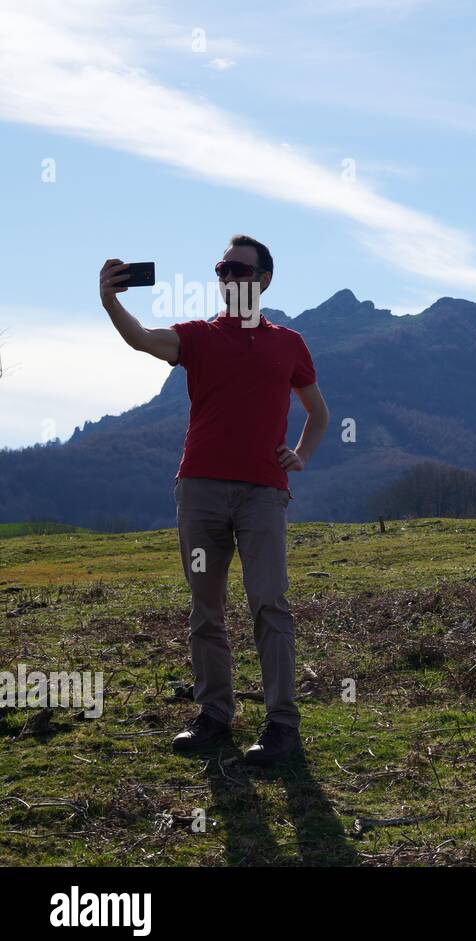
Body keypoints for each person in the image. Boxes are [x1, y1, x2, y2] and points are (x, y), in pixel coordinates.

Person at [99, 235, 330, 764]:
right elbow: (140, 339)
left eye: (240, 270)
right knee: (206, 611)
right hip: (199, 488)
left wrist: (302, 455)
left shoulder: (288, 344)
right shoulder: (198, 337)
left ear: (265, 279)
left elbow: (318, 413)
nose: (230, 277)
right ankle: (214, 717)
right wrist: (112, 302)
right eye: (223, 269)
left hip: (264, 495)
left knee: (269, 605)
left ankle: (281, 727)